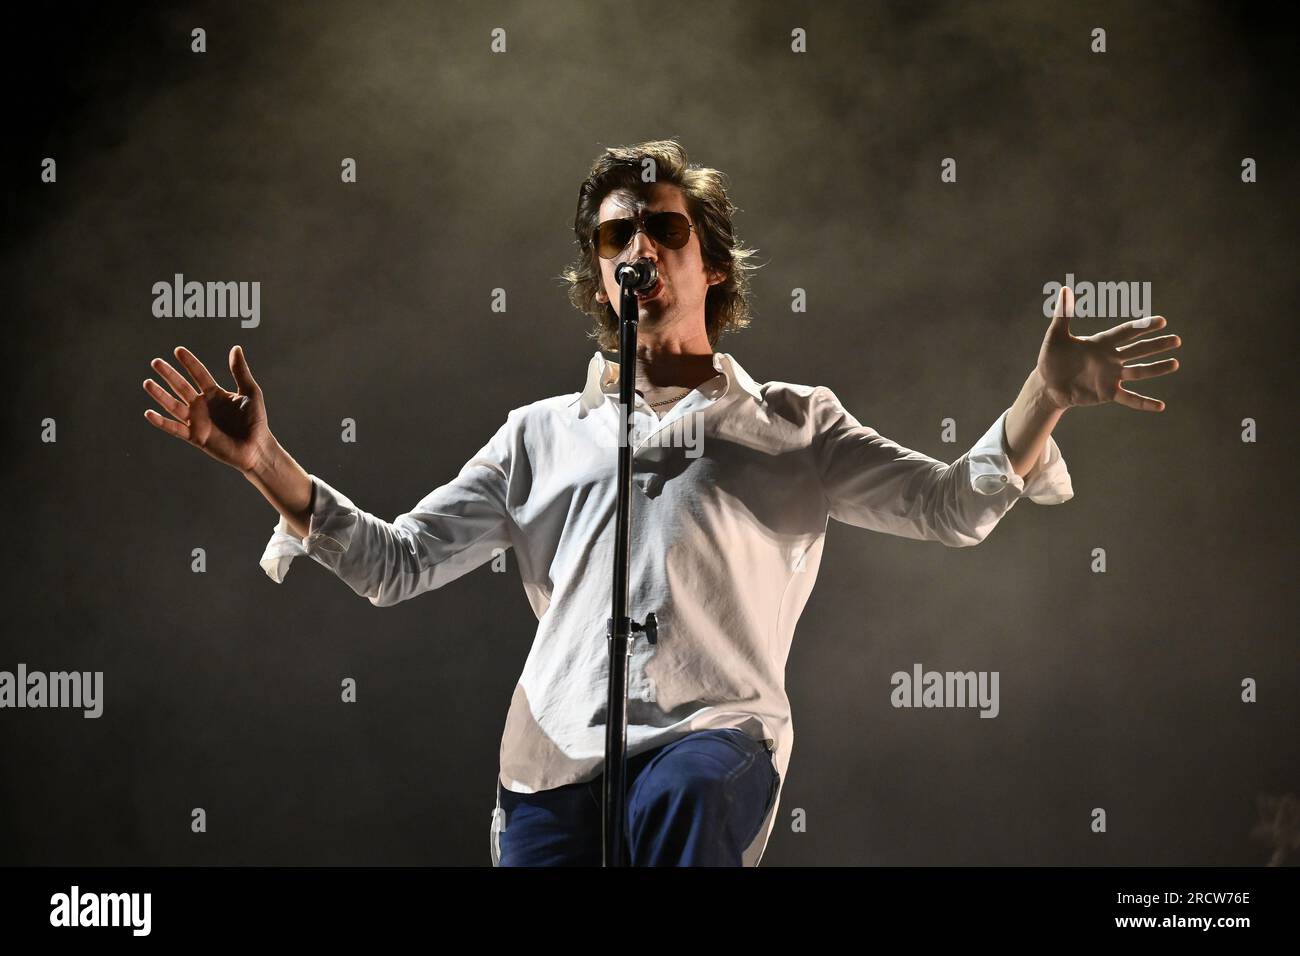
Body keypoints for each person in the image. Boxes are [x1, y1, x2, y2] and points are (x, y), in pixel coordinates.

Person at [141, 139, 1182, 866]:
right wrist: (264, 460)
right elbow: (395, 563)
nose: (635, 246)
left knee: (687, 795)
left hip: (712, 735)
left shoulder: (793, 421)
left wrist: (1042, 395)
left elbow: (952, 506)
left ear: (710, 260)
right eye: (613, 237)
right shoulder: (537, 434)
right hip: (551, 753)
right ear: (598, 277)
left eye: (662, 227)